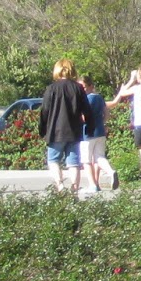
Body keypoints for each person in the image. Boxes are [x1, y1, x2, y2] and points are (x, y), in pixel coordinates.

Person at [39, 59, 90, 193]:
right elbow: (87, 110)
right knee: (73, 163)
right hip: (74, 131)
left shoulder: (51, 88)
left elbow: (44, 111)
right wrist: (90, 127)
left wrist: (42, 129)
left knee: (53, 160)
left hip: (55, 131)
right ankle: (74, 190)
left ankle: (60, 185)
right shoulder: (78, 88)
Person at [78, 76, 117, 193]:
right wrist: (101, 123)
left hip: (87, 133)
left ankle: (92, 185)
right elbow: (107, 113)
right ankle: (110, 171)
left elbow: (84, 118)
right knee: (99, 157)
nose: (82, 89)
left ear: (91, 86)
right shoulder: (99, 97)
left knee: (86, 160)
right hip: (100, 131)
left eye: (84, 87)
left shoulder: (85, 99)